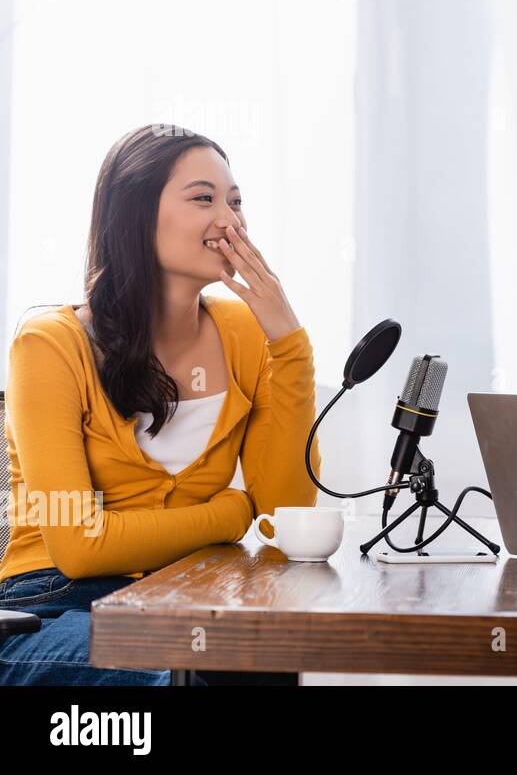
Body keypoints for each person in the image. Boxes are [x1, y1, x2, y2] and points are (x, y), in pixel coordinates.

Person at [0, 124, 322, 684]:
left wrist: (289, 345)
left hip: (189, 595)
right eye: (204, 198)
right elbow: (80, 547)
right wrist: (229, 514)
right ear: (135, 215)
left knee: (262, 662)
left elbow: (284, 518)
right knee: (168, 673)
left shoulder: (244, 334)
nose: (231, 221)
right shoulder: (50, 344)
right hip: (53, 605)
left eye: (236, 202)